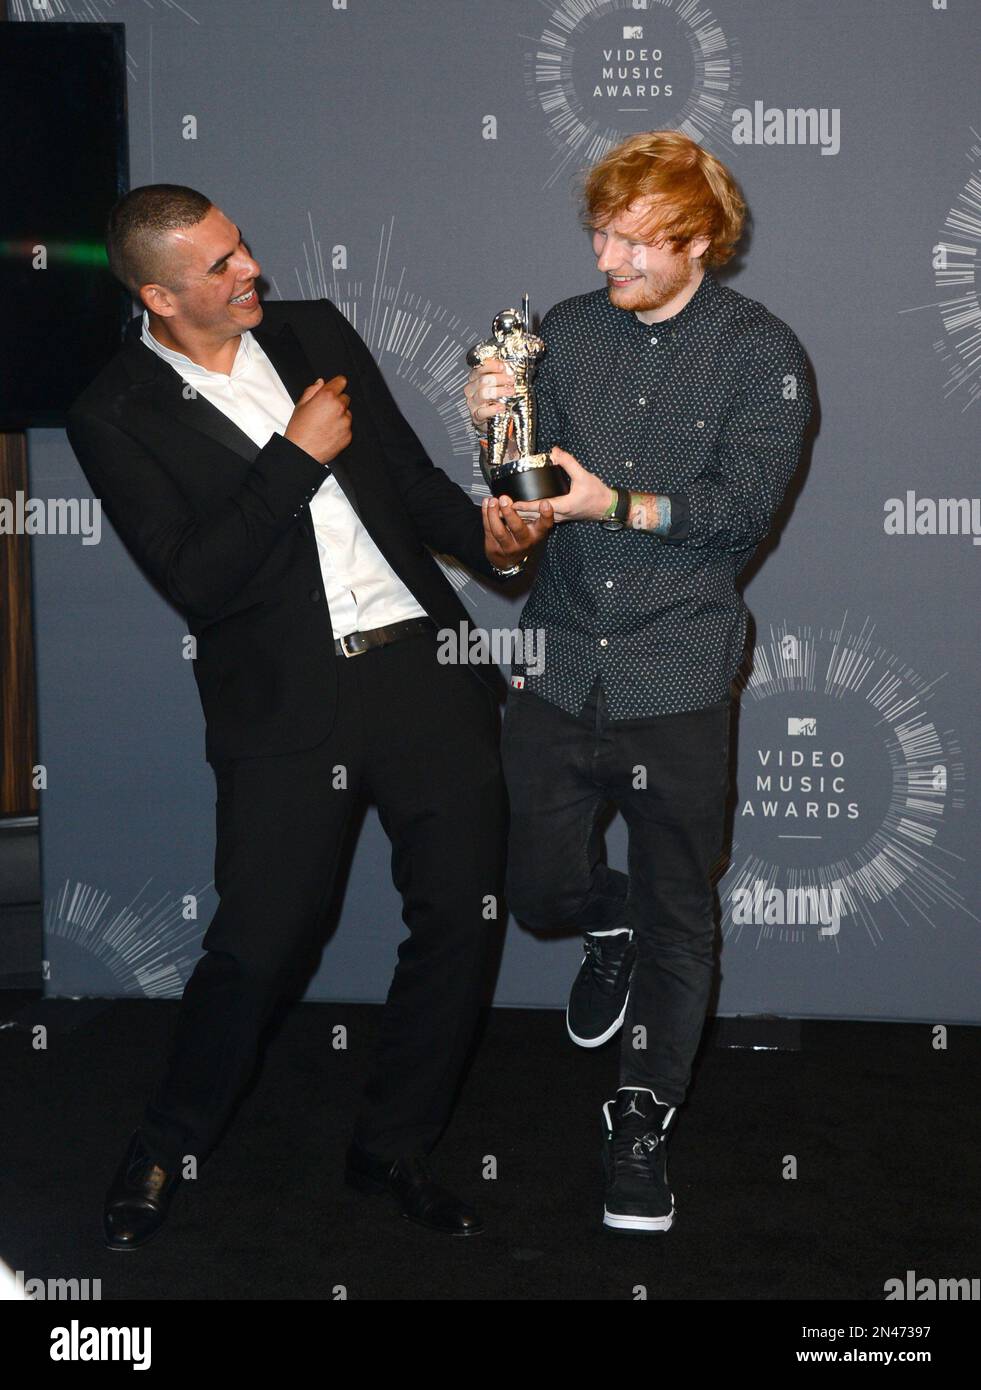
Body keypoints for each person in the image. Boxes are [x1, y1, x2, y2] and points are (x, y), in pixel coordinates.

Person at [67, 184, 552, 1249]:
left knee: (459, 924)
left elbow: (411, 486)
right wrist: (295, 454)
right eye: (220, 267)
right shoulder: (113, 412)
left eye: (241, 248)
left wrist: (491, 543)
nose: (251, 273)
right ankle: (166, 1141)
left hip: (423, 673)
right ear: (157, 294)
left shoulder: (314, 332)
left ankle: (395, 1146)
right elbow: (197, 578)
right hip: (290, 710)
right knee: (260, 944)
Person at [465, 130, 813, 1233]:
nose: (606, 258)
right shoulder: (562, 335)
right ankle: (598, 924)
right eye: (601, 234)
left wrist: (611, 503)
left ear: (697, 238)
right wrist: (502, 474)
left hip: (679, 671)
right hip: (562, 664)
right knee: (536, 891)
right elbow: (520, 523)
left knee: (681, 911)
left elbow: (737, 513)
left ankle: (640, 1118)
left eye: (632, 240)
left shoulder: (765, 356)